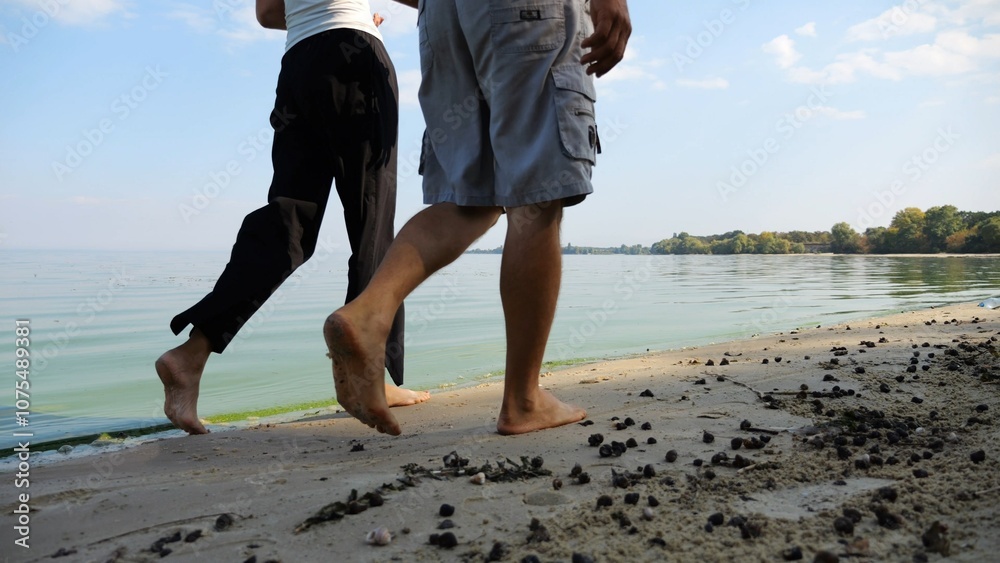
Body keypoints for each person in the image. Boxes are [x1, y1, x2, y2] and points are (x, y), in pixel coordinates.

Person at [324, 0, 632, 436]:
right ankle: (523, 401)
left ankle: (369, 311)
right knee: (537, 198)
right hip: (526, 14)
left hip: (441, 17)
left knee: (472, 201)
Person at [155, 0, 429, 435]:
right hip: (355, 55)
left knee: (288, 222)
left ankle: (192, 355)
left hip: (299, 64)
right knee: (372, 223)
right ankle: (368, 379)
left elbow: (267, 13)